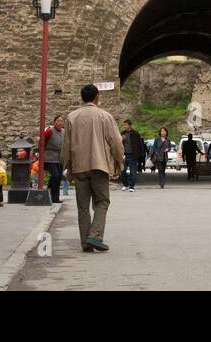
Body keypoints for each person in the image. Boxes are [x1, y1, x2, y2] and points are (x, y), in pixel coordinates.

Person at [61, 84, 125, 252]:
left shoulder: (72, 117)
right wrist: (119, 162)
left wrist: (67, 166)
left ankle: (85, 242)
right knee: (102, 201)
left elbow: (66, 145)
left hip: (79, 167)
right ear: (97, 97)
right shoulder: (105, 116)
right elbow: (116, 142)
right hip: (100, 166)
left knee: (83, 207)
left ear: (82, 97)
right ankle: (95, 236)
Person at [42, 115, 66, 204]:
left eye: (61, 121)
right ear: (54, 122)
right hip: (49, 157)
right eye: (58, 121)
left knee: (59, 177)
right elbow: (42, 142)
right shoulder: (49, 131)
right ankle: (50, 194)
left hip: (59, 158)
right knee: (55, 175)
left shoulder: (64, 132)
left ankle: (54, 197)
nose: (59, 123)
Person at [120, 120, 145, 192]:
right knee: (123, 171)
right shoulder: (122, 133)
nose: (124, 126)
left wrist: (139, 155)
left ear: (130, 125)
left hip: (132, 155)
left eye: (125, 125)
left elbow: (140, 145)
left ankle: (131, 186)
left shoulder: (135, 134)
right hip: (124, 155)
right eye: (124, 125)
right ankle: (125, 184)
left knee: (133, 172)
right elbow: (119, 143)